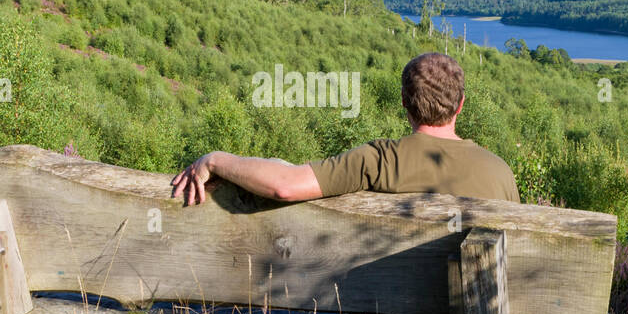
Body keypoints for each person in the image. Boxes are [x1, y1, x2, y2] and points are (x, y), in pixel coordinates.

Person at [171, 52, 521, 206]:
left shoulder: (380, 160)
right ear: (461, 105)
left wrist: (216, 160)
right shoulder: (500, 172)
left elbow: (284, 187)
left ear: (404, 102)